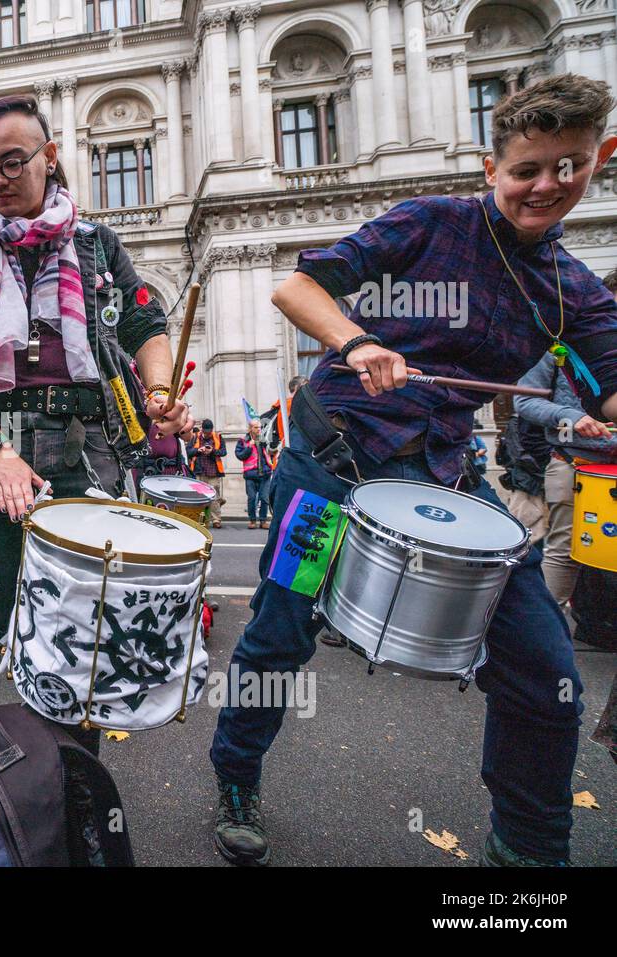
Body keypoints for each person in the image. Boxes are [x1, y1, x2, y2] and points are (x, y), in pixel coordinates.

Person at [209, 74, 617, 868]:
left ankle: (529, 847)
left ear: (599, 159)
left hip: (443, 473)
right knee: (281, 629)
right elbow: (298, 286)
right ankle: (235, 774)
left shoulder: (575, 291)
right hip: (333, 462)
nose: (546, 186)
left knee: (543, 664)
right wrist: (357, 343)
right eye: (526, 169)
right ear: (489, 167)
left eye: (568, 167)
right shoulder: (428, 222)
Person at [0, 93, 193, 752]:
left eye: (13, 162)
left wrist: (160, 391)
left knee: (81, 642)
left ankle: (74, 802)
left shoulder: (97, 245)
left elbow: (147, 325)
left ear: (51, 156)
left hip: (88, 450)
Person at [514, 336, 617, 607]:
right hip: (575, 464)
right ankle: (548, 636)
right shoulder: (557, 345)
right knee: (566, 550)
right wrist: (573, 417)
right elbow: (525, 402)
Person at [495, 411, 552, 545]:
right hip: (527, 481)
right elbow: (519, 454)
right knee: (524, 522)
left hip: (542, 478)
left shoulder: (548, 417)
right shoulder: (517, 421)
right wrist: (546, 473)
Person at [234, 419, 273, 529]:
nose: (259, 430)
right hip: (250, 474)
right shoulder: (243, 440)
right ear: (250, 428)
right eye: (256, 427)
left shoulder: (264, 440)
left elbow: (271, 451)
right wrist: (249, 447)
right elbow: (240, 455)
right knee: (251, 498)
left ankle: (263, 520)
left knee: (265, 498)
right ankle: (252, 520)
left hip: (265, 473)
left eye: (260, 427)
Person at [188, 418, 227, 527]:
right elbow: (188, 451)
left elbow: (223, 452)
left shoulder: (218, 437)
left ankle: (216, 520)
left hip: (214, 472)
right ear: (202, 430)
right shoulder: (195, 437)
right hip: (200, 471)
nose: (207, 434)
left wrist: (212, 451)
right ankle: (203, 519)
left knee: (213, 496)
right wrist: (198, 451)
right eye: (205, 432)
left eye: (209, 432)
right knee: (201, 496)